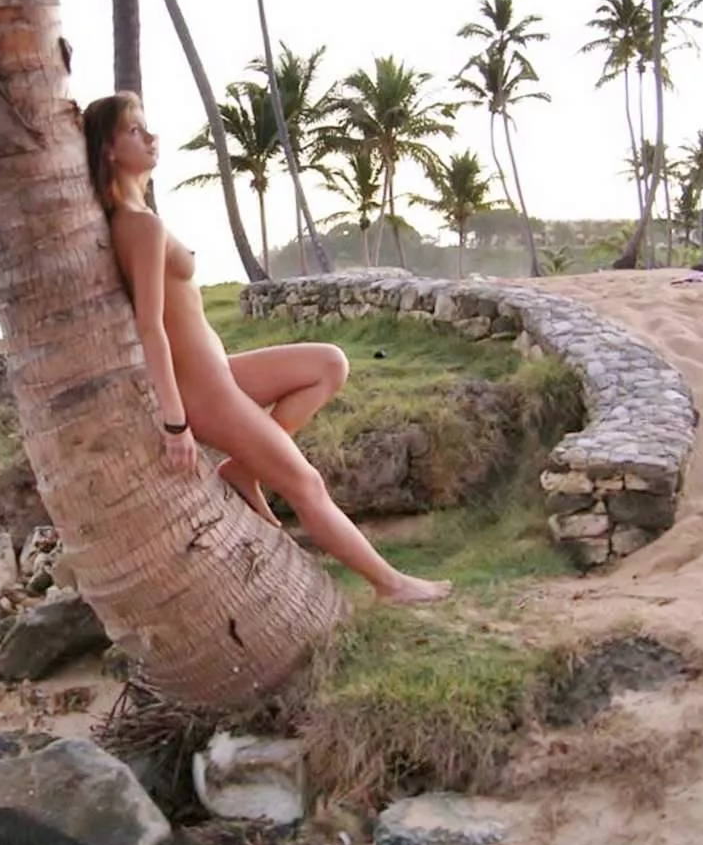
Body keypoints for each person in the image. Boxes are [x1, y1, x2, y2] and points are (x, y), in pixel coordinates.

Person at [82, 91, 452, 606]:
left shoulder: (140, 214)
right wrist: (175, 423)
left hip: (219, 373)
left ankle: (243, 469)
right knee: (306, 483)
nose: (151, 138)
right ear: (109, 151)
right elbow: (151, 328)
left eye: (148, 127)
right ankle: (390, 585)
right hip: (204, 392)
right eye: (135, 132)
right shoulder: (137, 225)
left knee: (328, 364)